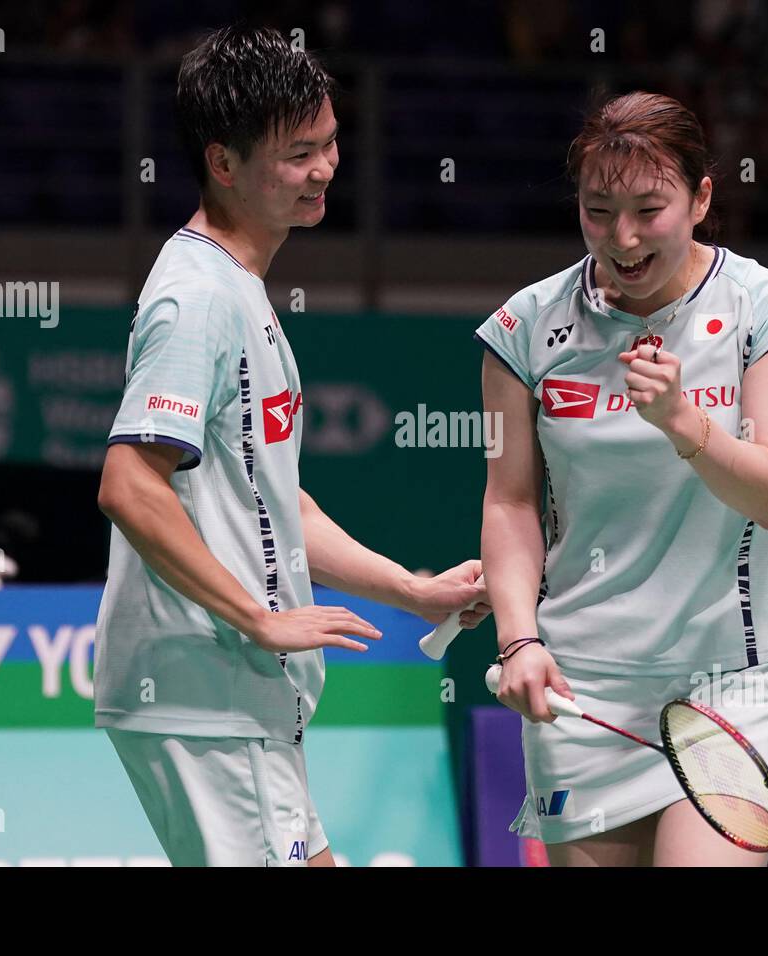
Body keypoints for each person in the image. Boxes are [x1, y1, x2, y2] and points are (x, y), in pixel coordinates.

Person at [93, 25, 489, 867]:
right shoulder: (197, 299)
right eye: (298, 153)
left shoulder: (243, 291)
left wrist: (412, 591)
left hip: (241, 704)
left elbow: (274, 506)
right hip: (208, 691)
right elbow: (130, 486)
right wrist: (257, 618)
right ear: (223, 163)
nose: (324, 170)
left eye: (330, 143)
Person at [477, 91, 768, 866]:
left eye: (650, 209)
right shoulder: (525, 327)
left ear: (702, 197)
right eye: (598, 210)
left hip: (727, 681)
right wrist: (518, 641)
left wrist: (685, 423)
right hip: (582, 684)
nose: (624, 237)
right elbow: (509, 503)